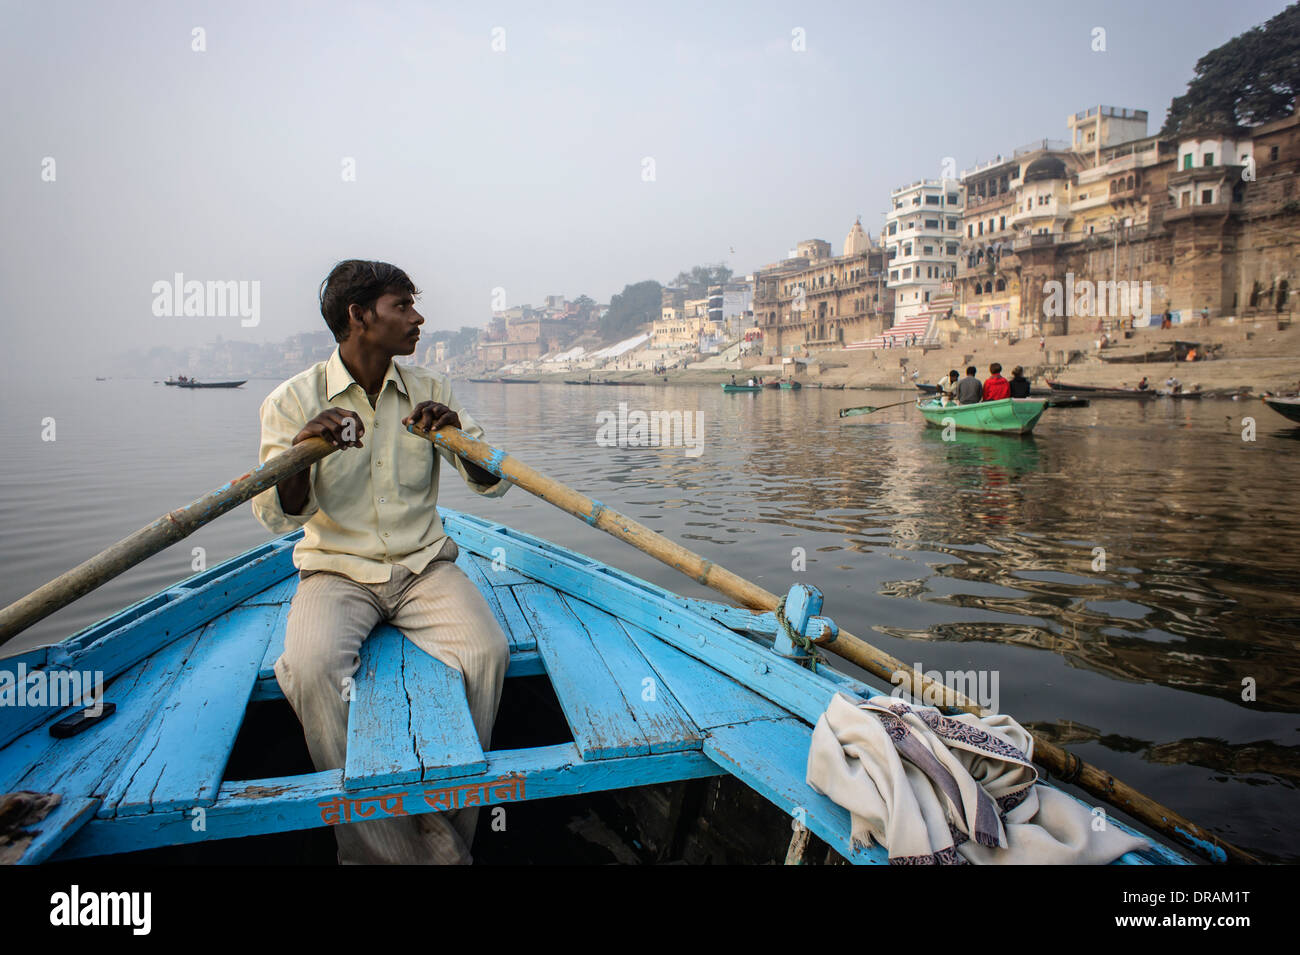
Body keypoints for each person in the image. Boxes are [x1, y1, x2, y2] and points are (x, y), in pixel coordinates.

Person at [252, 260, 510, 865]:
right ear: (359, 317)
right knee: (312, 668)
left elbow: (491, 482)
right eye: (402, 306)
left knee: (486, 654)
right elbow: (278, 517)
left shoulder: (431, 392)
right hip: (335, 570)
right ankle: (379, 852)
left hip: (424, 567)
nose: (418, 318)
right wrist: (301, 454)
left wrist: (459, 439)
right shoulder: (292, 400)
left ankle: (446, 838)